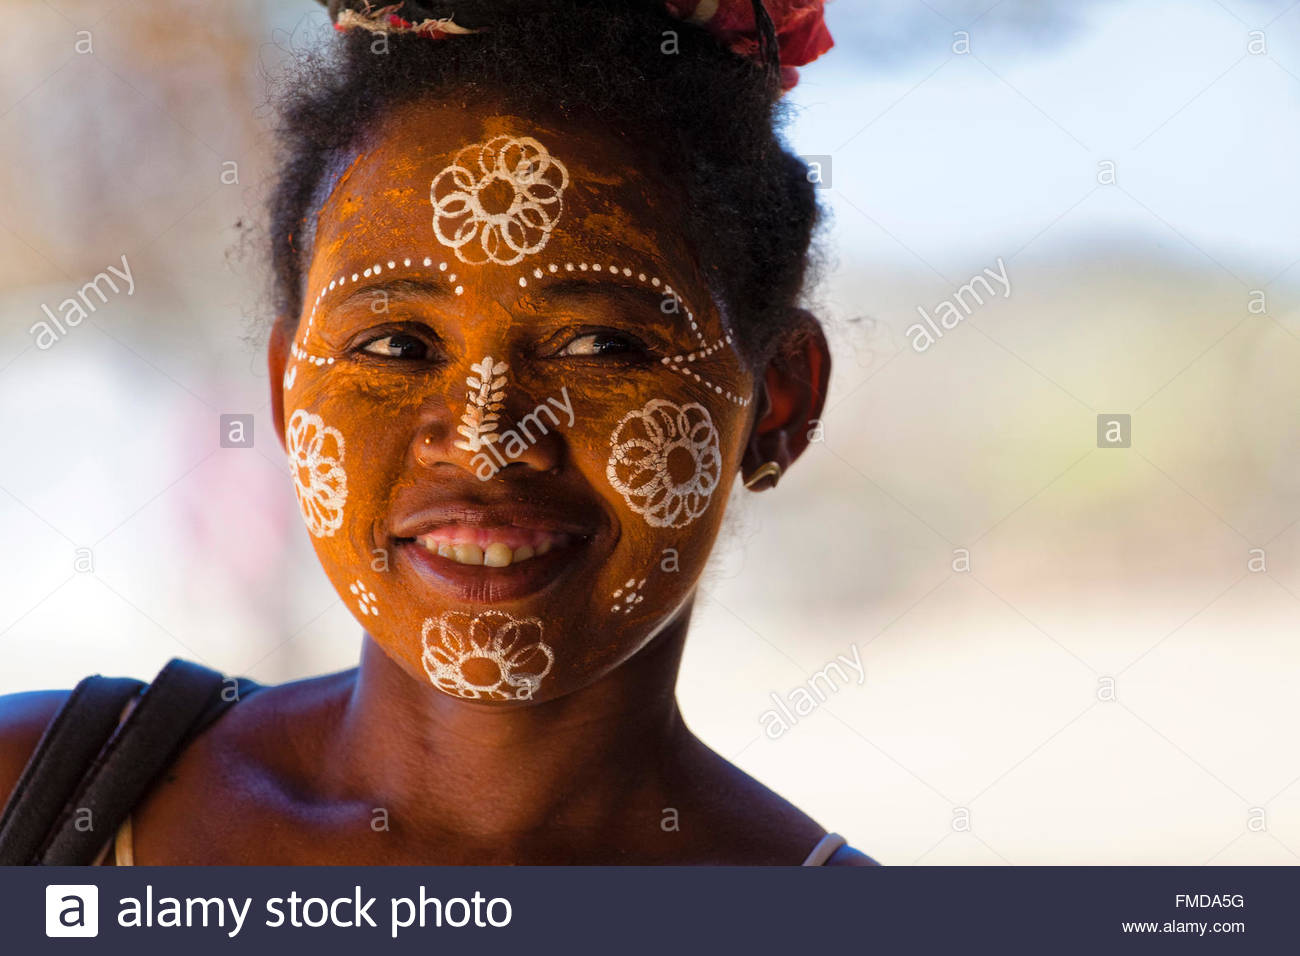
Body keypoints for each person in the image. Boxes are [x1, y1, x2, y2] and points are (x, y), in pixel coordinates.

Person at [0, 0, 875, 866]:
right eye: (394, 346)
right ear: (285, 388)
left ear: (779, 403)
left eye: (602, 346)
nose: (487, 437)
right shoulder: (36, 797)